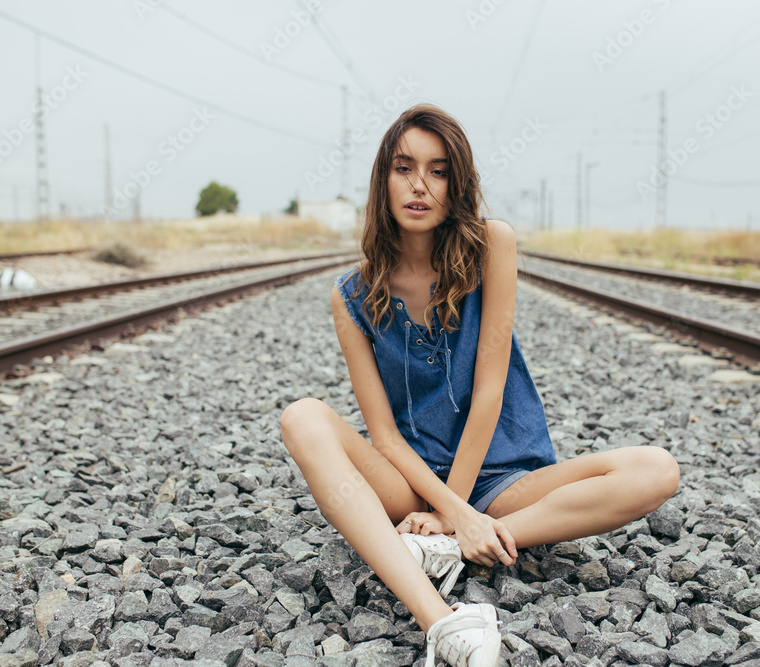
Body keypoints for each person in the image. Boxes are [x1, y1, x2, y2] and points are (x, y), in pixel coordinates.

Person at [280, 104, 680, 667]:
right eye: (404, 168)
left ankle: (447, 549)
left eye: (438, 170)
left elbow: (489, 392)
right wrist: (443, 505)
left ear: (457, 182)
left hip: (502, 479)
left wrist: (456, 517)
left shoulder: (492, 245)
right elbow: (386, 439)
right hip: (409, 483)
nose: (420, 185)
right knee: (301, 416)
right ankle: (441, 623)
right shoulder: (352, 296)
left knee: (656, 469)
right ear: (383, 180)